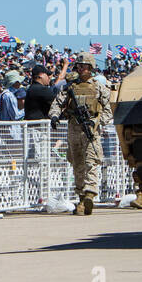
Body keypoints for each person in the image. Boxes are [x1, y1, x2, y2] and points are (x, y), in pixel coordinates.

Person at [48, 52, 113, 215]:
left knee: (91, 161)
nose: (81, 68)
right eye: (79, 65)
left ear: (91, 68)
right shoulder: (69, 86)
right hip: (74, 128)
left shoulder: (99, 86)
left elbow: (108, 110)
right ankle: (81, 197)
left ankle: (90, 192)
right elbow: (58, 102)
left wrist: (98, 122)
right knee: (77, 164)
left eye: (84, 66)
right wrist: (54, 116)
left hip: (91, 129)